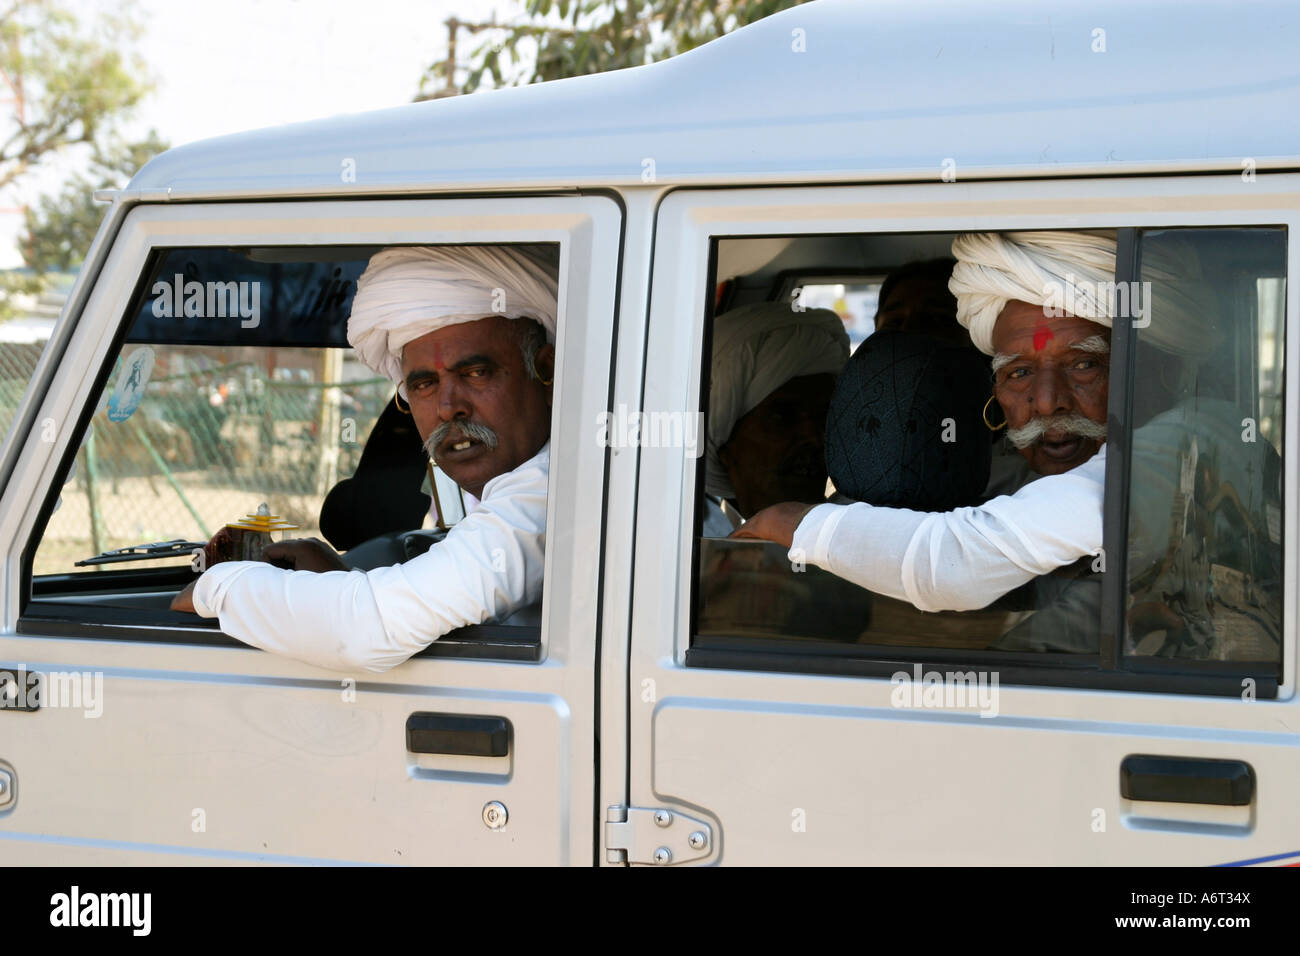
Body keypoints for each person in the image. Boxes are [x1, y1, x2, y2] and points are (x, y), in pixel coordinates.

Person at [170, 245, 557, 672]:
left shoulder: (553, 492)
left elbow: (369, 631)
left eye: (474, 373)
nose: (448, 407)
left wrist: (219, 589)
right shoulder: (524, 491)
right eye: (424, 384)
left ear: (548, 370)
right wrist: (343, 582)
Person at [733, 231, 1118, 612]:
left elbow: (956, 566)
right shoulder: (858, 513)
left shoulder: (1134, 471)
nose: (1048, 403)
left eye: (1084, 364)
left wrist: (795, 522)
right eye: (1018, 372)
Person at [702, 302, 850, 535]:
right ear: (725, 445)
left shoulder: (865, 536)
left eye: (824, 418)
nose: (815, 438)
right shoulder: (695, 549)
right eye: (783, 417)